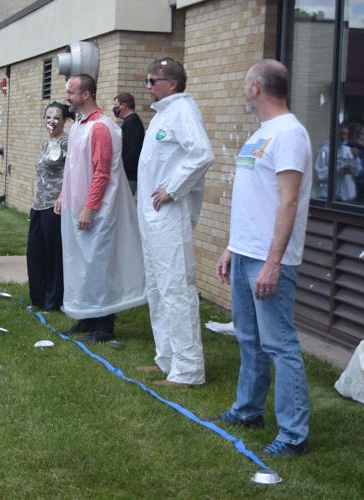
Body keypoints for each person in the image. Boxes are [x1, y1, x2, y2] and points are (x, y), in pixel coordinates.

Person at [211, 59, 312, 457]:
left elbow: (288, 202)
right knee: (249, 338)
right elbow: (255, 200)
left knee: (280, 344)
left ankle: (293, 434)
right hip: (245, 252)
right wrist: (232, 246)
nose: (243, 89)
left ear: (256, 87)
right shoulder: (263, 134)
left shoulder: (289, 134)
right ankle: (248, 410)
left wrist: (273, 262)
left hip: (270, 259)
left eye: (244, 82)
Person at [135, 58, 214, 387]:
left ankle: (188, 369)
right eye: (148, 80)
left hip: (170, 215)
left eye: (154, 81)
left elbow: (202, 154)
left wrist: (172, 188)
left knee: (176, 290)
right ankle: (166, 357)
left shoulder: (183, 111)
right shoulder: (162, 116)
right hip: (152, 216)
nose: (149, 86)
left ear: (173, 83)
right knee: (156, 288)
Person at [55, 74, 146, 343]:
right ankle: (88, 316)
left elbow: (101, 172)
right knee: (83, 262)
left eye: (71, 92)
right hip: (77, 206)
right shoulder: (80, 126)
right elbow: (72, 168)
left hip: (98, 210)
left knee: (99, 263)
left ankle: (104, 326)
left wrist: (90, 207)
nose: (67, 97)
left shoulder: (101, 128)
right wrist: (64, 195)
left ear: (86, 94)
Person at [27, 102, 71, 312]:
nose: (51, 121)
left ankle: (53, 301)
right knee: (36, 252)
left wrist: (62, 197)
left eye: (56, 117)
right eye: (48, 117)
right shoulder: (47, 143)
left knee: (54, 254)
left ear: (64, 120)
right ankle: (38, 298)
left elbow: (72, 173)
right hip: (39, 204)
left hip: (55, 205)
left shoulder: (66, 142)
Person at [113, 92, 144, 195]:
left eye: (116, 106)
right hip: (127, 175)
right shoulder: (129, 121)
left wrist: (121, 168)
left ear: (124, 105)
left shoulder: (132, 122)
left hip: (129, 176)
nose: (115, 109)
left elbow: (133, 151)